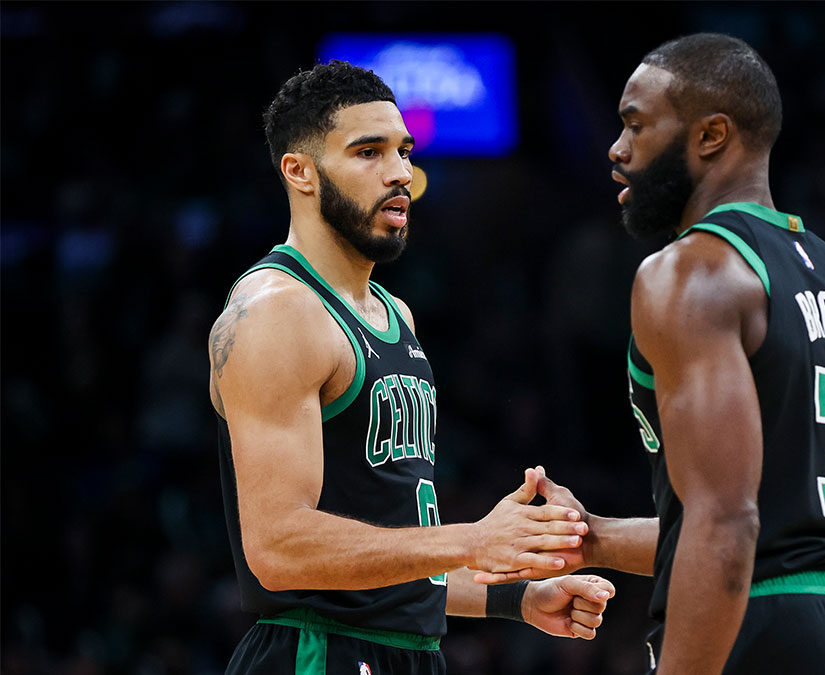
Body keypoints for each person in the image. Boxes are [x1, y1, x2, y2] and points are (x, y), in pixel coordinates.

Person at [478, 34, 825, 674]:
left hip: (769, 624)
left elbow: (728, 524)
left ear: (711, 136)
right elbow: (782, 527)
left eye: (636, 125)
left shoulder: (688, 273)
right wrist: (593, 537)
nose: (617, 149)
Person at [208, 61, 614, 675]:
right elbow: (279, 548)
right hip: (316, 653)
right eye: (368, 152)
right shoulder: (278, 314)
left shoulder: (396, 315)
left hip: (408, 654)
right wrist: (476, 539)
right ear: (300, 172)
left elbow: (389, 553)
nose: (400, 173)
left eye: (403, 151)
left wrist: (514, 598)